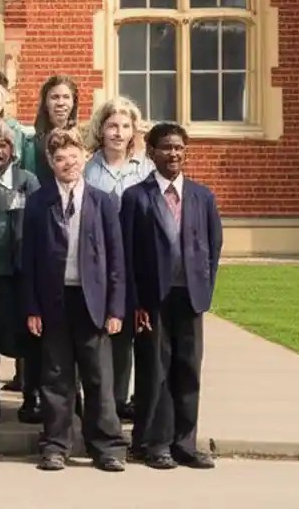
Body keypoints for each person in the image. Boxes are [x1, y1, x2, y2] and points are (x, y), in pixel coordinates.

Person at [22, 128, 127, 472]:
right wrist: (32, 306)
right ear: (51, 163)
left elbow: (115, 258)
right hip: (54, 299)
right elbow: (30, 259)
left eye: (73, 156)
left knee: (98, 376)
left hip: (92, 300)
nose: (68, 163)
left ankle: (107, 445)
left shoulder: (103, 201)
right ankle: (55, 444)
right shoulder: (39, 202)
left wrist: (115, 307)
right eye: (60, 158)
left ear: (84, 156)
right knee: (56, 376)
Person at [122, 122, 221, 470]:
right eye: (166, 147)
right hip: (152, 300)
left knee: (188, 369)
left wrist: (205, 290)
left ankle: (185, 443)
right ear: (151, 152)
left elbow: (213, 247)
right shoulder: (136, 197)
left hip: (190, 296)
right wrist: (135, 303)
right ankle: (155, 442)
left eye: (179, 147)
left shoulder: (202, 197)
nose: (174, 153)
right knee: (155, 370)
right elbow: (127, 254)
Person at [82, 96, 153, 423]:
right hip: (99, 261)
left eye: (125, 126)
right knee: (101, 330)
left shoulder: (146, 169)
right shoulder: (87, 168)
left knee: (129, 332)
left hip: (137, 259)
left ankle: (123, 397)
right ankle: (101, 398)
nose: (118, 133)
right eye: (112, 125)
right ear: (102, 128)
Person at [0, 119, 40, 425]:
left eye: (3, 145)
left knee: (25, 337)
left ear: (13, 150)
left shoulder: (27, 180)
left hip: (18, 275)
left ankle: (32, 396)